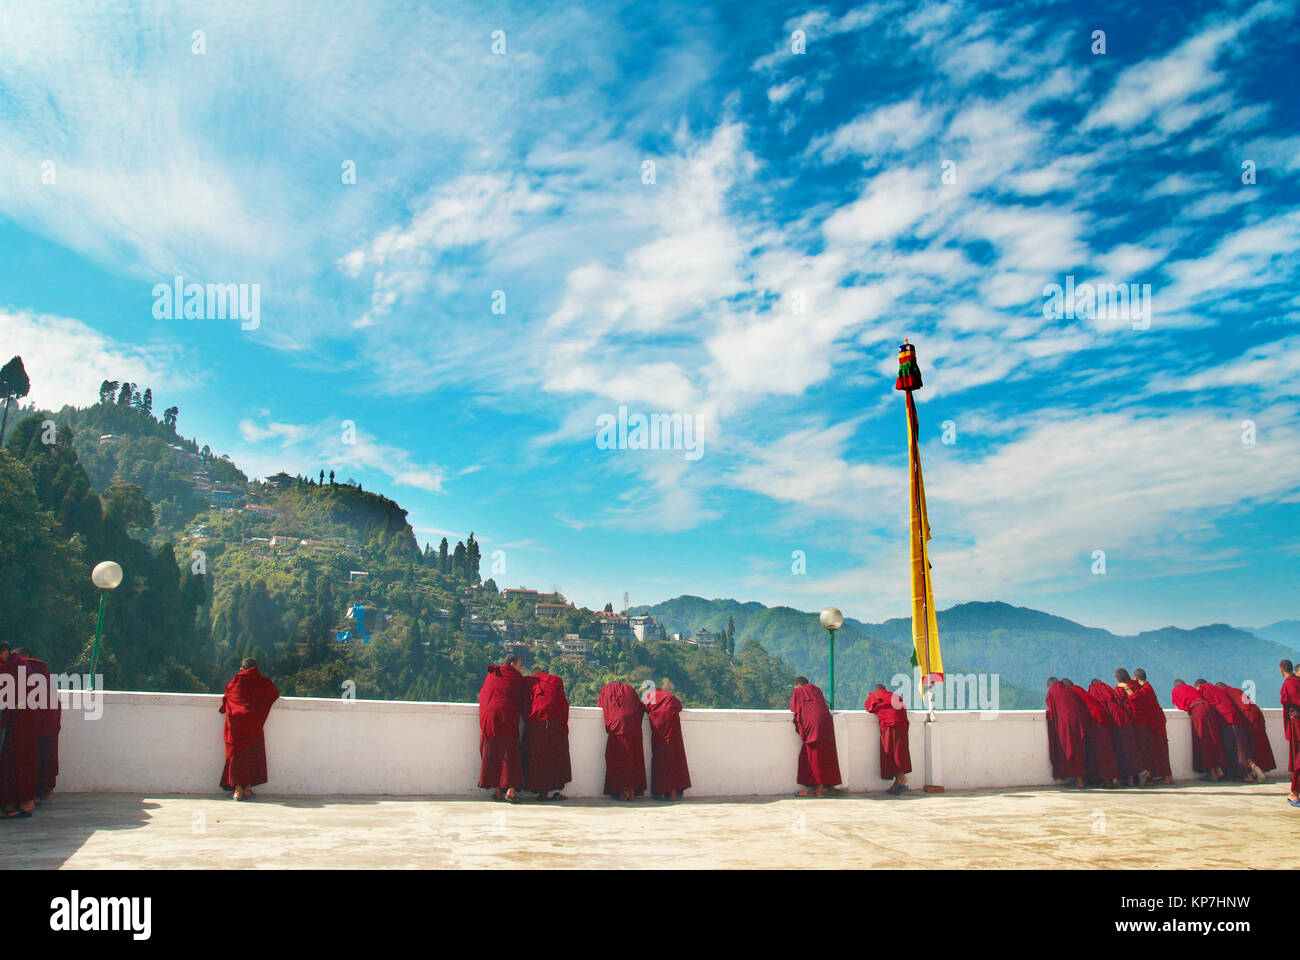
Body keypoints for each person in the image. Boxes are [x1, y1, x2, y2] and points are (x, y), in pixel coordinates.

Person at [219, 658, 280, 801]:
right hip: (254, 726)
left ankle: (237, 790)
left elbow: (228, 697)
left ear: (242, 669)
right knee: (251, 755)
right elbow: (273, 695)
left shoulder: (235, 681)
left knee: (237, 757)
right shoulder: (263, 682)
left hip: (236, 727)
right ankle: (247, 789)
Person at [13, 647, 59, 802]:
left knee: (27, 757)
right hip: (49, 716)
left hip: (28, 718)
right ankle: (43, 790)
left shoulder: (21, 668)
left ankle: (29, 796)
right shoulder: (42, 670)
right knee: (46, 753)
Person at [0, 644, 40, 819]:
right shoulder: (19, 666)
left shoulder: (10, 667)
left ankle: (10, 805)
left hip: (15, 718)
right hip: (22, 719)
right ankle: (24, 803)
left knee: (10, 763)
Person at [478, 655, 525, 802]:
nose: (520, 669)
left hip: (490, 715)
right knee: (510, 751)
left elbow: (484, 696)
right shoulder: (514, 676)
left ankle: (497, 791)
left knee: (493, 751)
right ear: (512, 664)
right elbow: (523, 695)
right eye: (519, 665)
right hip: (507, 715)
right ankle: (510, 791)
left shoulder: (493, 675)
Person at [1195, 679, 1261, 782]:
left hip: (1225, 720)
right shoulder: (1219, 691)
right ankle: (1250, 768)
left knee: (1233, 750)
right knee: (1241, 748)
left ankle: (1246, 775)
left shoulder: (1205, 688)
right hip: (1237, 719)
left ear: (1198, 686)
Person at [521, 668, 571, 800]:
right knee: (553, 757)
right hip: (554, 723)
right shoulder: (555, 680)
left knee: (536, 757)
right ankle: (549, 789)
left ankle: (540, 790)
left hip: (535, 723)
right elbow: (563, 703)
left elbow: (525, 702)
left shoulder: (530, 682)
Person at [790, 677, 840, 796]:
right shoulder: (816, 690)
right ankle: (815, 787)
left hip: (813, 726)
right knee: (825, 755)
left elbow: (794, 707)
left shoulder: (799, 691)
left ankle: (819, 790)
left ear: (797, 686)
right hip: (827, 723)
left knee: (814, 757)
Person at [1090, 678, 1145, 786]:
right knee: (1129, 749)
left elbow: (1097, 706)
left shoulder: (1094, 689)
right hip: (1125, 719)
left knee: (1118, 750)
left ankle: (1134, 775)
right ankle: (1131, 780)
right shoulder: (1109, 689)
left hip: (1114, 723)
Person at [598, 680, 647, 800]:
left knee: (618, 759)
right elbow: (639, 707)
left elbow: (602, 705)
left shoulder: (607, 690)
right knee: (633, 758)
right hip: (634, 726)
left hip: (618, 727)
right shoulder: (630, 690)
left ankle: (622, 792)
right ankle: (631, 790)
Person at [644, 680, 690, 801]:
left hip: (659, 734)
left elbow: (646, 707)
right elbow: (679, 706)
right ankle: (674, 793)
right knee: (675, 761)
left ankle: (662, 793)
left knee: (661, 762)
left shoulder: (650, 696)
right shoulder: (668, 696)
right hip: (673, 735)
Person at [1217, 681, 1276, 775]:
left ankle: (1253, 769)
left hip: (1247, 718)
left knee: (1249, 746)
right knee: (1261, 744)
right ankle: (1262, 770)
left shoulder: (1225, 693)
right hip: (1256, 713)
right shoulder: (1236, 690)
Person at [1170, 680, 1225, 781]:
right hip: (1209, 708)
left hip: (1198, 711)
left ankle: (1213, 774)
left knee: (1204, 740)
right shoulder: (1191, 688)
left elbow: (1179, 705)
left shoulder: (1176, 691)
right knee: (1214, 737)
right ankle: (1219, 769)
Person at [1071, 681, 1121, 787]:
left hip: (1094, 722)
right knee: (1108, 751)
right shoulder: (1082, 690)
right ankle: (1114, 778)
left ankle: (1106, 781)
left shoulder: (1074, 691)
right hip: (1104, 720)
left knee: (1099, 753)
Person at [1128, 669, 1172, 784]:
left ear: (1136, 678)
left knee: (1157, 751)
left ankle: (1161, 778)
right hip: (1156, 722)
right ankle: (1167, 777)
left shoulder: (1146, 689)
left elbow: (1132, 698)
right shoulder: (1148, 688)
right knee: (1159, 750)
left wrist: (1125, 690)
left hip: (1154, 724)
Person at [864, 683, 910, 794]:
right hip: (903, 725)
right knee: (900, 752)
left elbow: (868, 707)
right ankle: (896, 785)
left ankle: (902, 778)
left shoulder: (875, 696)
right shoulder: (893, 695)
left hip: (891, 725)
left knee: (890, 753)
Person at [1044, 678, 1089, 788]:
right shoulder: (1068, 689)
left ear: (1050, 686)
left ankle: (1074, 779)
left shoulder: (1052, 691)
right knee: (1078, 751)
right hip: (1078, 723)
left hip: (1064, 725)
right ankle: (1080, 781)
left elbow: (1051, 707)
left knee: (1067, 750)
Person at [1280, 660, 1300, 807]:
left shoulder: (1291, 682)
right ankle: (1294, 793)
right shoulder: (1291, 683)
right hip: (1297, 723)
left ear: (1281, 670)